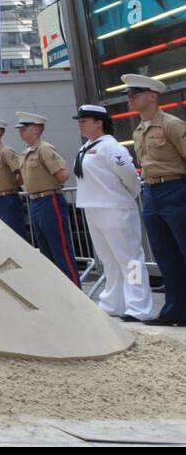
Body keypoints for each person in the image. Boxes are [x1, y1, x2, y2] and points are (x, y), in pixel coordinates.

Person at [72, 103, 152, 322]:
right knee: (109, 259)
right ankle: (113, 303)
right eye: (79, 121)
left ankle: (138, 306)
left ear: (99, 123)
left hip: (115, 208)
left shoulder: (111, 147)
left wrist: (123, 198)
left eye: (84, 121)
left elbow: (130, 178)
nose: (80, 125)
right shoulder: (87, 146)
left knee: (130, 259)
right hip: (93, 207)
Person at [123, 73, 186, 326]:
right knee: (165, 255)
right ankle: (176, 310)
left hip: (175, 189)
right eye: (129, 95)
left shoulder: (171, 124)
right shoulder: (138, 130)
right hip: (151, 192)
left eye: (135, 94)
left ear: (152, 96)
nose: (130, 99)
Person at [16, 111, 81, 287]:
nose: (20, 131)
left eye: (24, 128)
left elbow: (63, 175)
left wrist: (48, 185)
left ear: (36, 129)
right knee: (46, 251)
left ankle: (74, 291)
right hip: (35, 202)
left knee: (60, 249)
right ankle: (58, 290)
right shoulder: (25, 153)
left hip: (49, 200)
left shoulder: (45, 149)